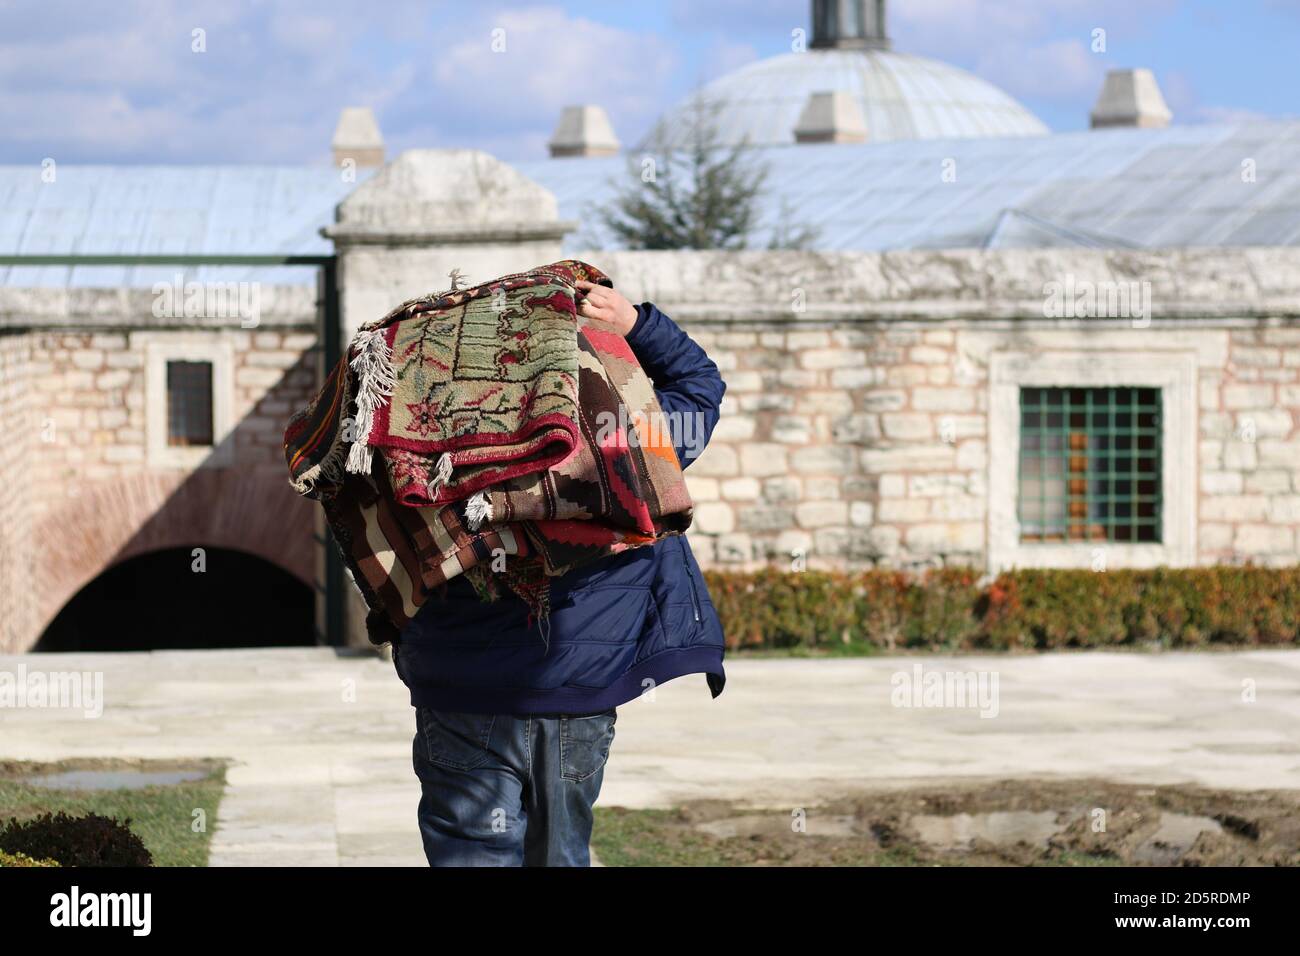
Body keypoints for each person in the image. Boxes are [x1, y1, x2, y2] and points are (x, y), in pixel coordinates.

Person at [391, 280, 727, 867]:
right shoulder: (622, 440)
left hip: (458, 688)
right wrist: (637, 325)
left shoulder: (416, 436)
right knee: (560, 856)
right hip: (576, 691)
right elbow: (699, 391)